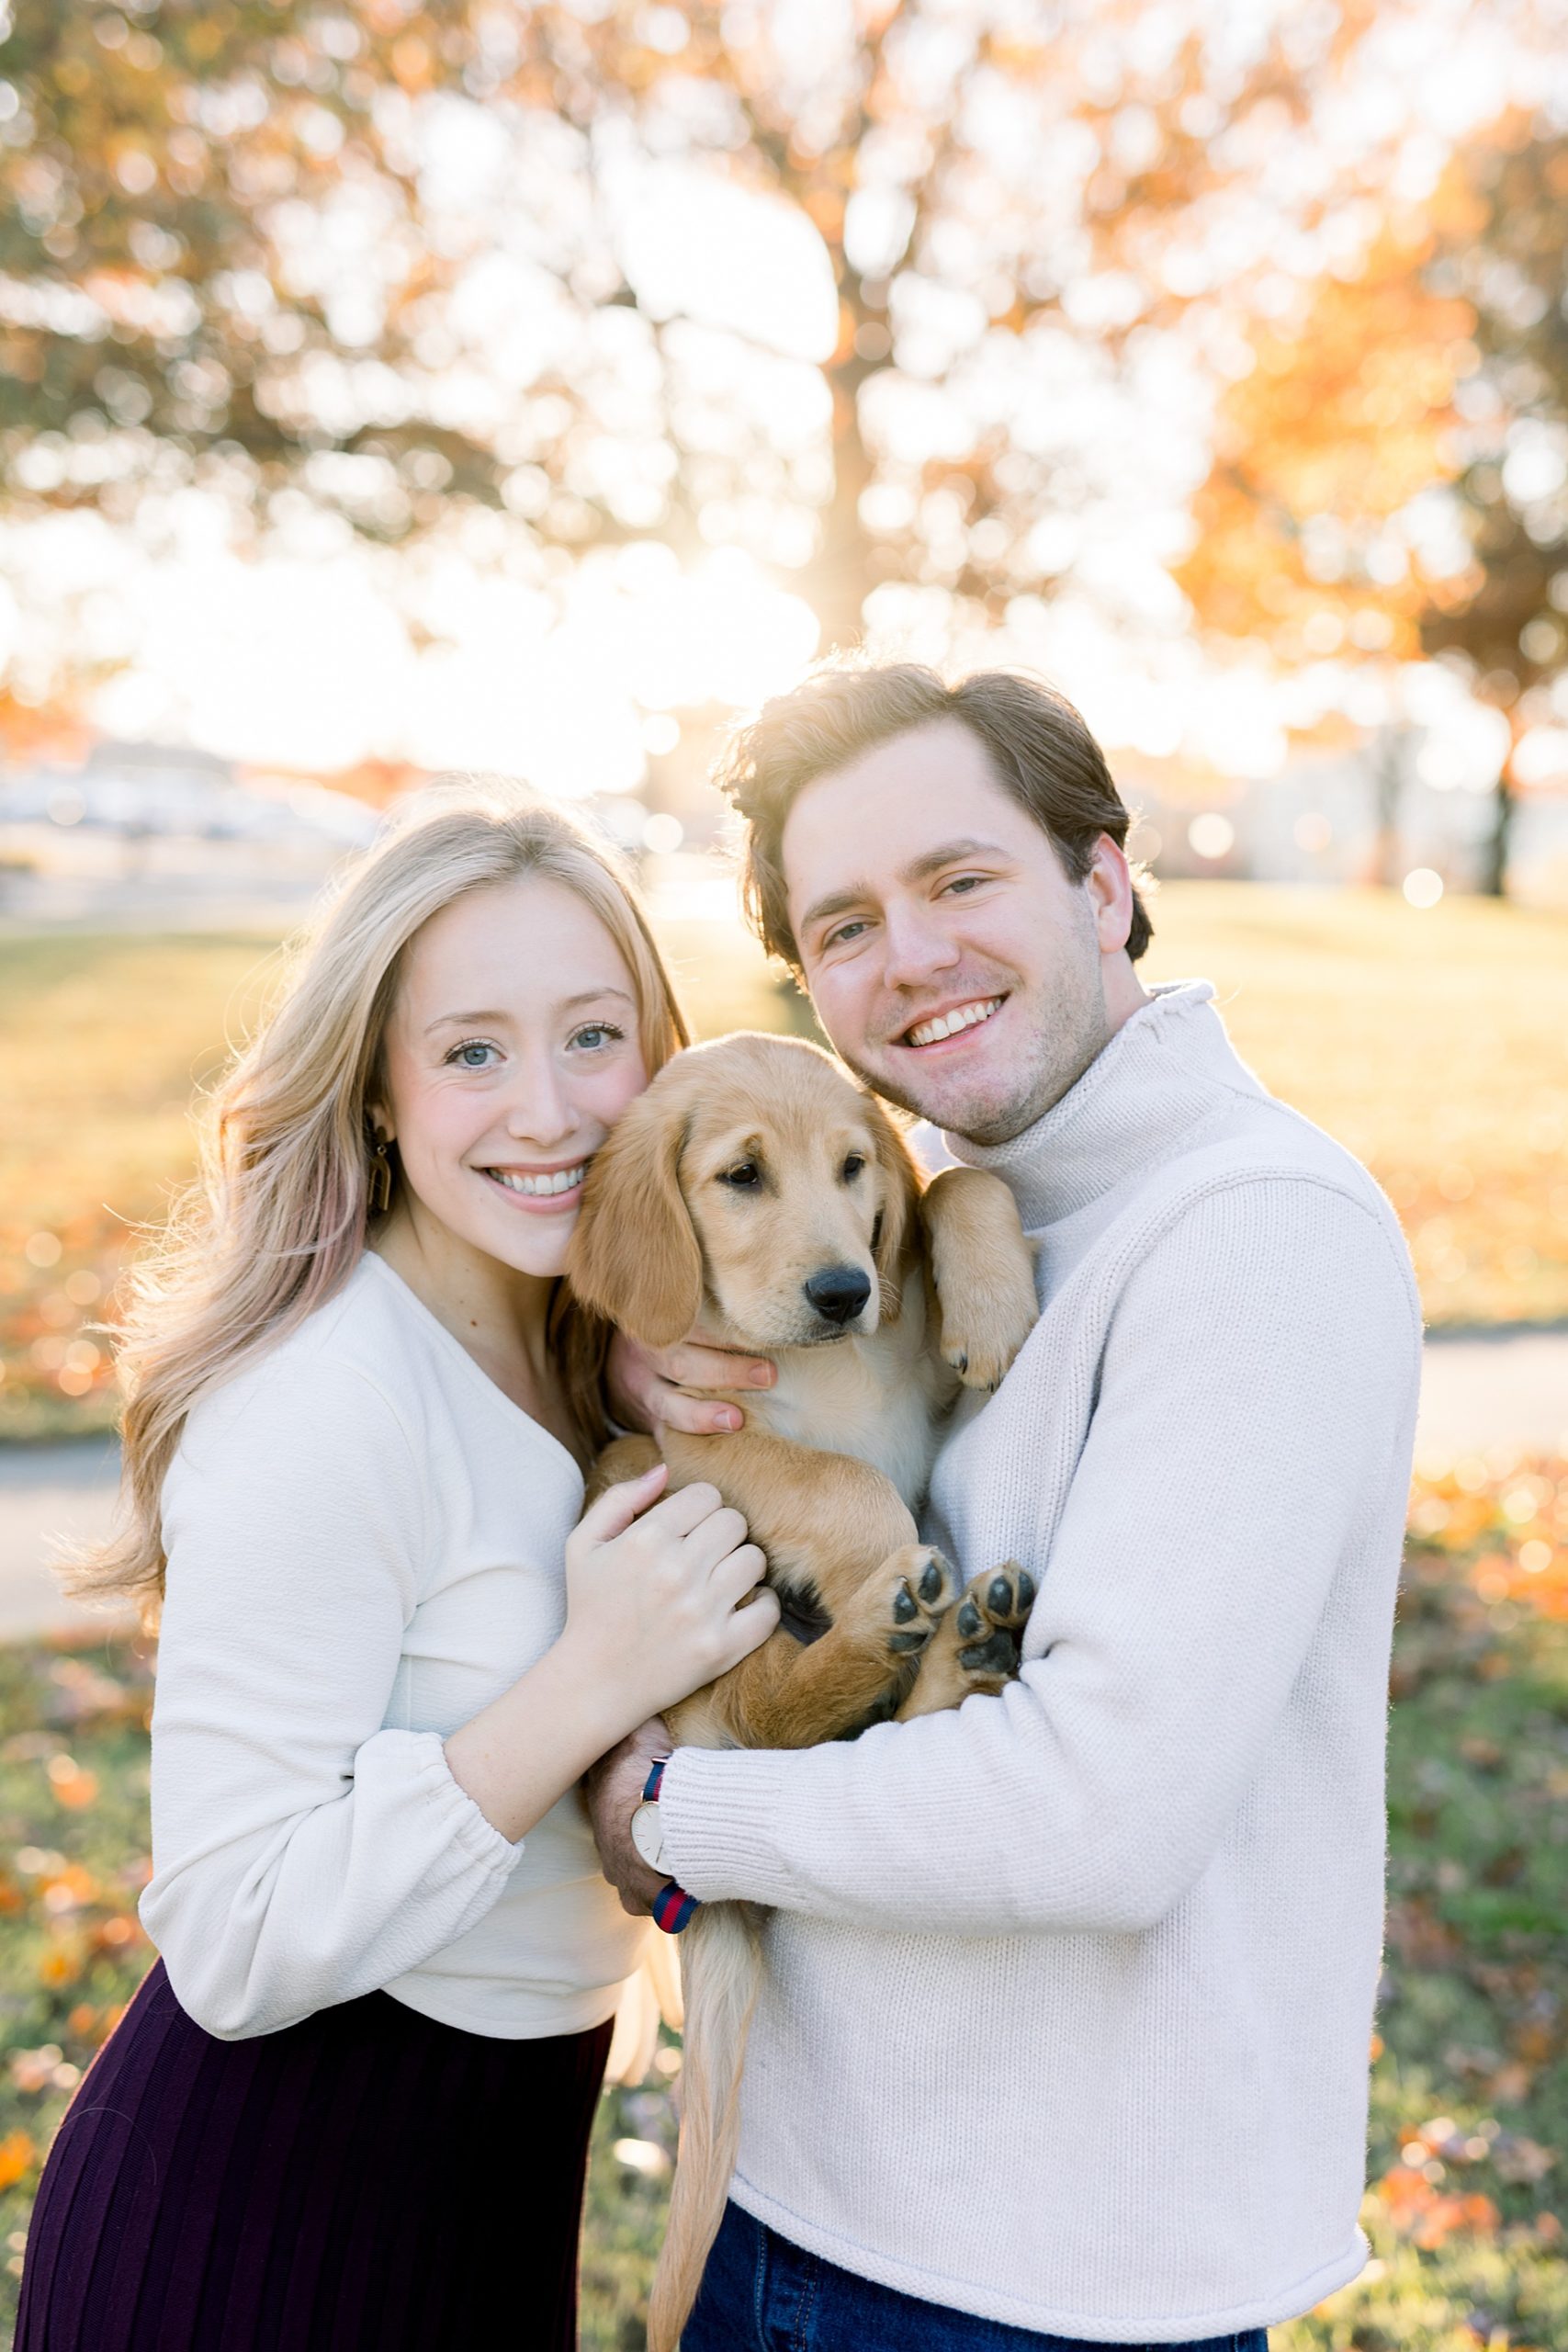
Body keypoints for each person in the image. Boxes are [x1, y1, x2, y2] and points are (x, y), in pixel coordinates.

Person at [592, 662, 1423, 2352]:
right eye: (843, 925)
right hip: (811, 2186)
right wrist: (651, 1363)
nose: (909, 957)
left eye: (959, 879)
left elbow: (1095, 1810)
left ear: (1103, 882)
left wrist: (675, 1819)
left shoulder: (1256, 1236)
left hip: (1028, 2279)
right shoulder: (967, 1212)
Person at [17, 786, 778, 2352]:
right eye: (472, 1052)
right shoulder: (325, 1401)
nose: (548, 1111)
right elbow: (229, 1934)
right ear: (377, 1092)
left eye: (593, 1036)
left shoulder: (575, 1359)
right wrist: (589, 1682)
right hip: (254, 2236)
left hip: (485, 2199)